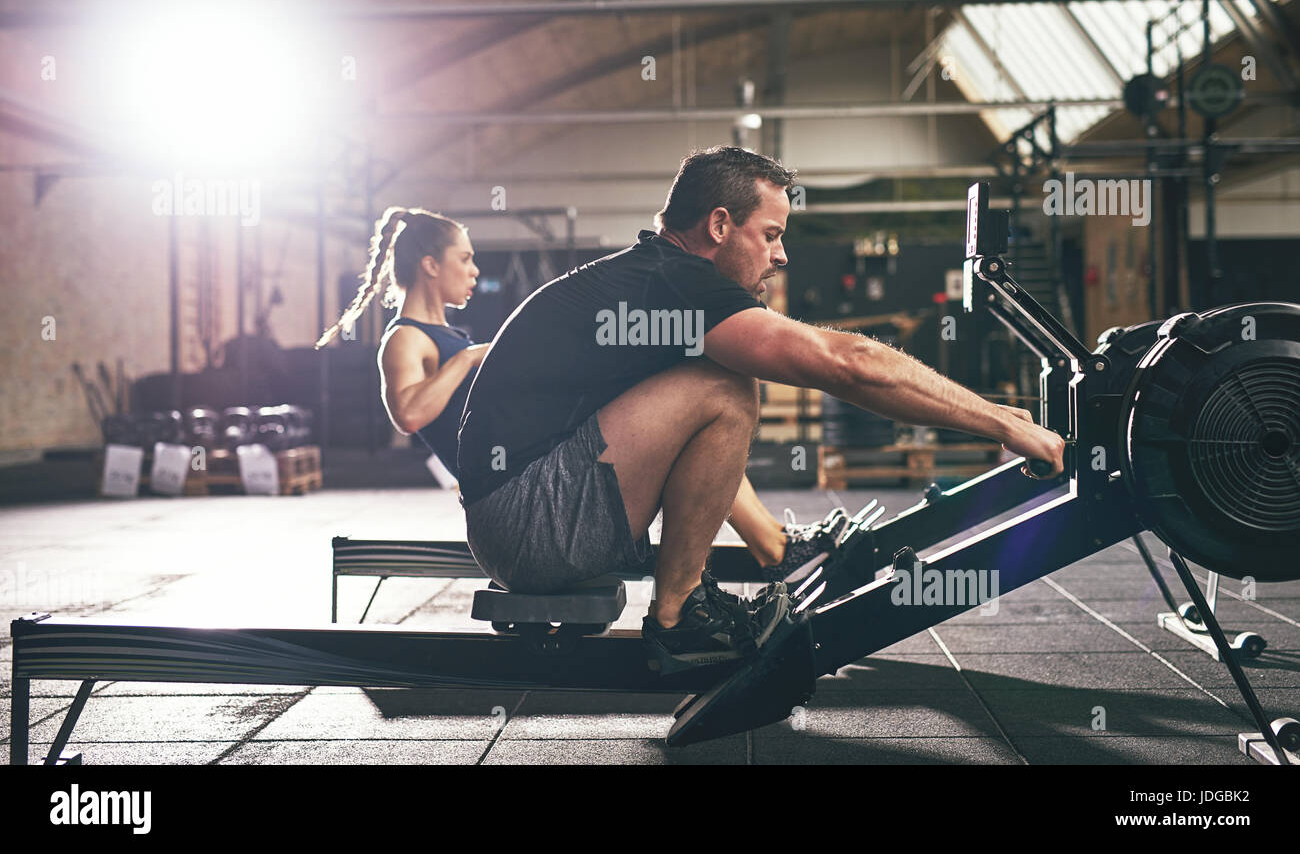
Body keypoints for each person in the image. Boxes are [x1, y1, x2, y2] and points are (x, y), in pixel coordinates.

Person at [458, 147, 1065, 674]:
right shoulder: (674, 281)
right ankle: (679, 619)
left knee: (715, 383)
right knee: (725, 390)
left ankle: (764, 550)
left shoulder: (656, 279)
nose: (782, 255)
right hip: (528, 524)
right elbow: (843, 361)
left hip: (522, 516)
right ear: (719, 225)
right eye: (770, 235)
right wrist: (1003, 421)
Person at [317, 207, 489, 476]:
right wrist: (467, 358)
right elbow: (408, 415)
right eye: (465, 259)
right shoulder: (405, 337)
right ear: (431, 265)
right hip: (503, 490)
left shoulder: (448, 335)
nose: (474, 271)